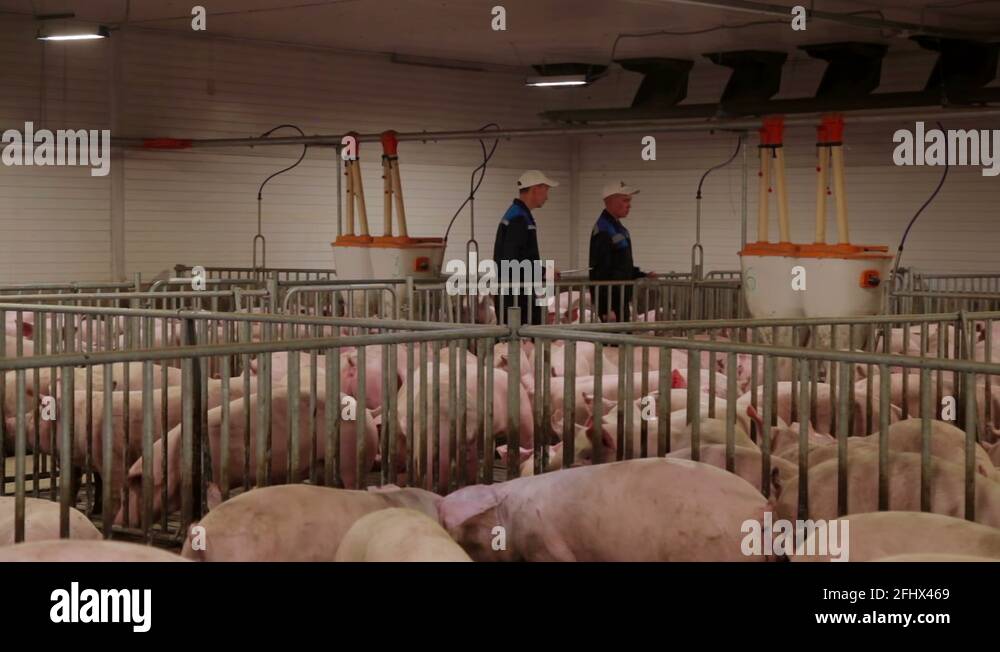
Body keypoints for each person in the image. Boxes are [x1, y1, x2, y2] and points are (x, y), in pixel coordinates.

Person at [492, 170, 558, 326]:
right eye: (546, 191)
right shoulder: (519, 219)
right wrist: (544, 272)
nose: (547, 196)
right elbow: (512, 263)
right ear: (535, 190)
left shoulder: (518, 215)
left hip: (517, 294)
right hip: (516, 299)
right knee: (519, 344)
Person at [588, 180, 656, 322]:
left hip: (621, 297)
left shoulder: (618, 228)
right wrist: (605, 308)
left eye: (629, 200)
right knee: (615, 342)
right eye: (625, 200)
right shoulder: (604, 230)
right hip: (612, 302)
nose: (629, 205)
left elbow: (621, 265)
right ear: (610, 201)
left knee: (624, 341)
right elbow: (600, 272)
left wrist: (642, 274)